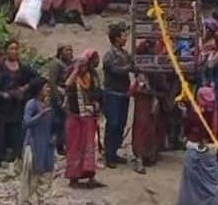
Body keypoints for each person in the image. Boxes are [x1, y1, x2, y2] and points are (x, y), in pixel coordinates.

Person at [176, 86, 218, 205]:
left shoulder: (194, 113)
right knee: (210, 183)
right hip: (211, 151)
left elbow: (187, 127)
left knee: (192, 183)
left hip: (194, 149)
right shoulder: (217, 114)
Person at [65, 50, 104, 188]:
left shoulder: (91, 76)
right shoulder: (72, 77)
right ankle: (74, 178)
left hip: (89, 117)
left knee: (90, 146)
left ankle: (90, 176)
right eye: (81, 66)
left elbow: (98, 92)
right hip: (75, 117)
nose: (84, 68)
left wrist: (97, 103)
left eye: (85, 66)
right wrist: (75, 71)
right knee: (75, 147)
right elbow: (67, 85)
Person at [20, 78, 56, 205]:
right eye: (46, 87)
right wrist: (41, 114)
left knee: (46, 173)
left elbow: (53, 124)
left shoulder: (48, 104)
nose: (48, 90)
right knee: (32, 174)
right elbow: (27, 123)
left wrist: (54, 136)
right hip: (34, 143)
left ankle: (43, 201)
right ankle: (27, 202)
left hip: (46, 143)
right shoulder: (32, 104)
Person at [0, 40, 38, 163]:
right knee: (5, 127)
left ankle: (19, 152)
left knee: (18, 127)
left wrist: (25, 88)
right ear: (6, 51)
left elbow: (36, 78)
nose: (14, 52)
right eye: (11, 49)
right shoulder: (0, 67)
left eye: (16, 49)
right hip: (5, 102)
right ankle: (6, 153)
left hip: (20, 102)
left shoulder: (23, 66)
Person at [101, 22, 133, 168]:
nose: (125, 38)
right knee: (113, 124)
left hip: (122, 94)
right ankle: (108, 154)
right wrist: (130, 67)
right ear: (116, 38)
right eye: (123, 35)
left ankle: (114, 152)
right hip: (112, 94)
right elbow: (116, 71)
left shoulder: (125, 54)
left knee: (120, 124)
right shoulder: (109, 55)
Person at [131, 41, 166, 173]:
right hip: (144, 97)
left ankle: (147, 154)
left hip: (150, 95)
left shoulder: (153, 63)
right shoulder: (144, 64)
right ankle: (140, 157)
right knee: (143, 126)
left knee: (151, 125)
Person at [43, 44, 74, 154]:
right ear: (60, 52)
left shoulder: (70, 64)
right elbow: (52, 82)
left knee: (64, 121)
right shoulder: (56, 63)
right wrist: (57, 98)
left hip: (67, 95)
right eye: (67, 50)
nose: (70, 52)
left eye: (70, 49)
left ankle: (62, 143)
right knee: (57, 121)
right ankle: (56, 145)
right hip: (57, 96)